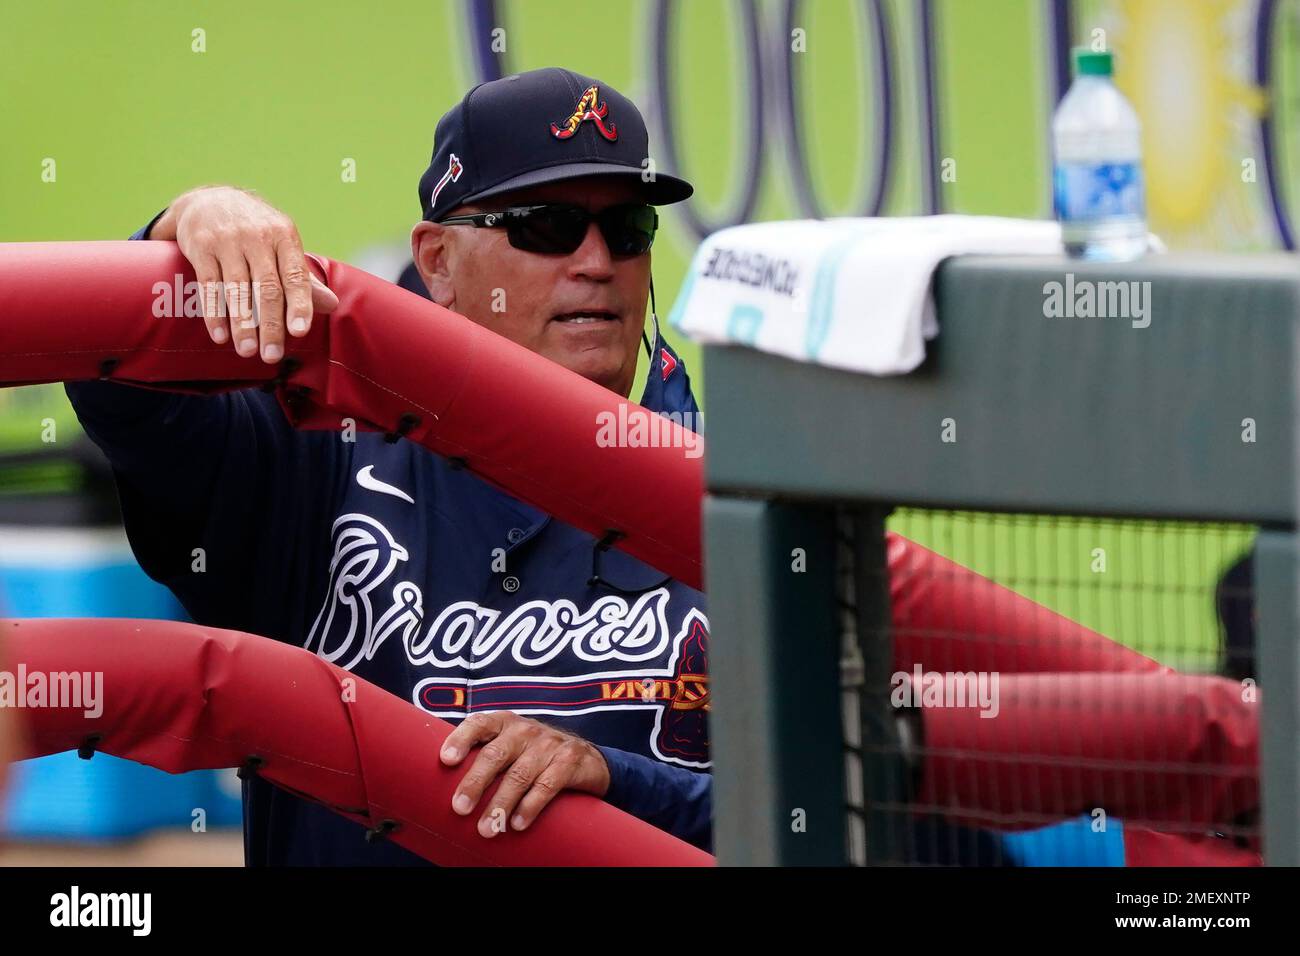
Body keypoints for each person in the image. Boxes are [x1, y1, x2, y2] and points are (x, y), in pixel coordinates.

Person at [66, 67, 711, 865]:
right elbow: (126, 400)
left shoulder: (727, 495)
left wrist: (617, 782)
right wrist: (185, 223)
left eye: (627, 229)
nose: (595, 262)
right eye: (546, 226)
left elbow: (820, 810)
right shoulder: (314, 463)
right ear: (437, 262)